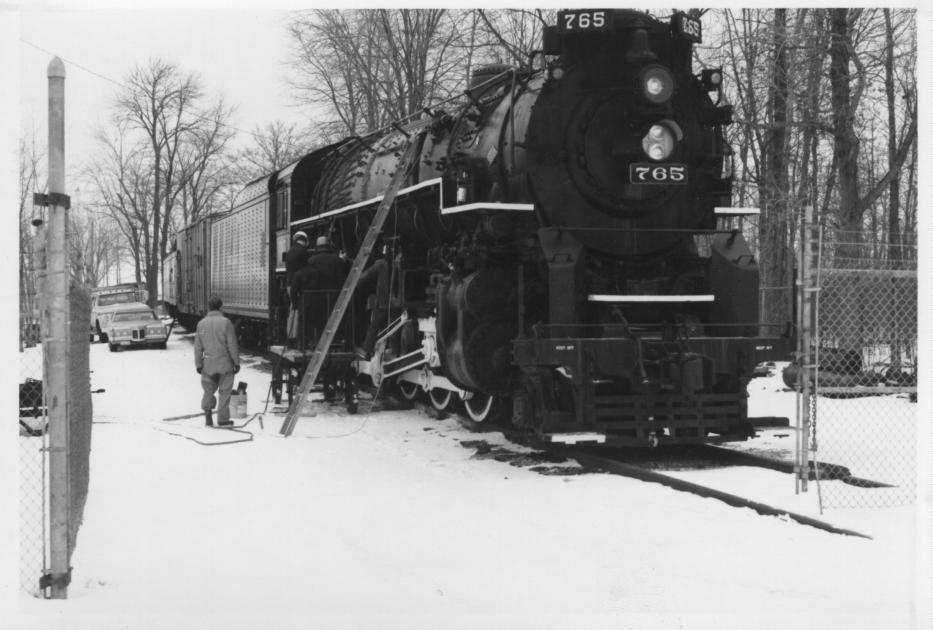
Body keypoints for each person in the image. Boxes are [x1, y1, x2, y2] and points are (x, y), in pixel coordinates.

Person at [289, 235, 349, 348]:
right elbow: (343, 279)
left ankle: (312, 344)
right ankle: (334, 344)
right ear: (328, 245)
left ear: (317, 246)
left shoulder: (311, 261)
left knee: (315, 324)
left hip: (317, 299)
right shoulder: (337, 260)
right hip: (335, 299)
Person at [194, 295, 240, 427]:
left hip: (208, 364)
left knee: (208, 390)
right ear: (220, 307)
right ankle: (223, 419)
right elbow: (232, 345)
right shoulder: (226, 323)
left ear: (209, 307)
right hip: (225, 364)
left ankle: (208, 415)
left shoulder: (201, 324)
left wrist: (198, 364)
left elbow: (198, 347)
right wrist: (236, 362)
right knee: (225, 392)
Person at [284, 231, 309, 344]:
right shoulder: (302, 252)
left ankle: (290, 336)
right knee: (298, 311)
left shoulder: (290, 252)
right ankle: (295, 337)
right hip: (298, 286)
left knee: (292, 310)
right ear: (305, 240)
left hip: (290, 285)